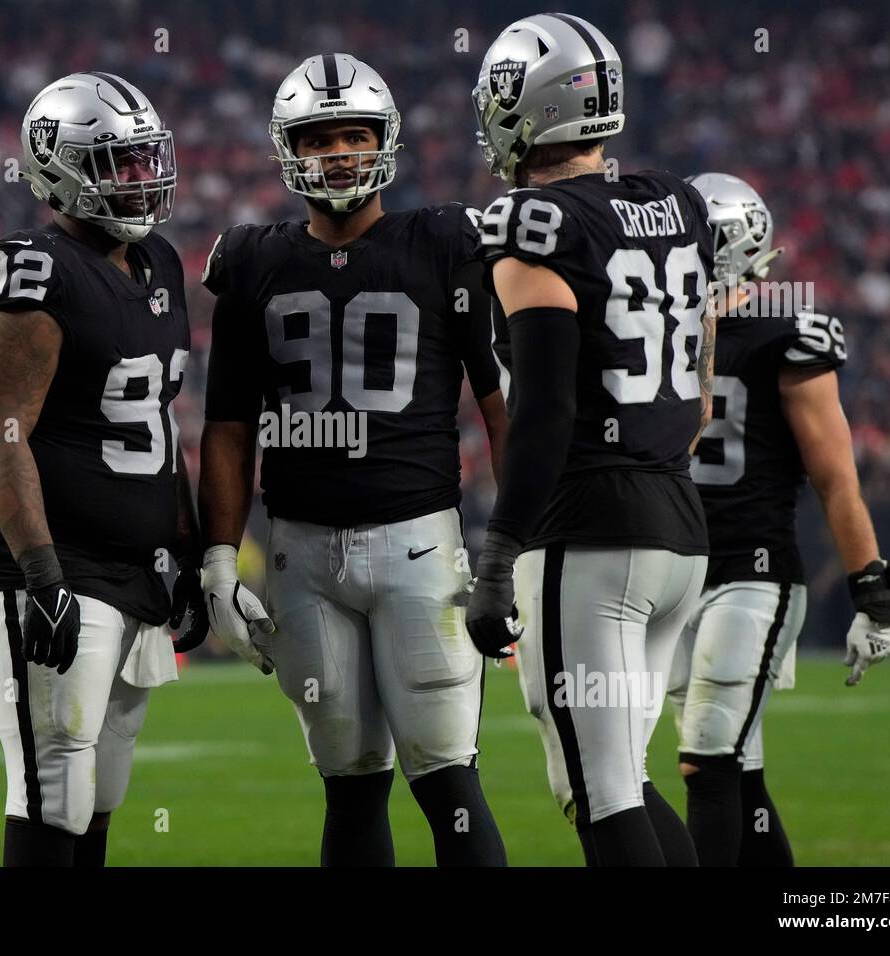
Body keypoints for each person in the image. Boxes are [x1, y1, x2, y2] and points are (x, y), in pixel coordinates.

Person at [198, 53, 509, 866]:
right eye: (319, 138)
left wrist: (522, 545)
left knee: (447, 781)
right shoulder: (253, 260)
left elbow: (502, 404)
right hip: (301, 552)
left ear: (385, 140)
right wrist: (219, 558)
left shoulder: (445, 242)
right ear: (287, 150)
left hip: (419, 544)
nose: (337, 152)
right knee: (350, 782)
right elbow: (227, 425)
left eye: (353, 134)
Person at [466, 13, 715, 866]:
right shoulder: (678, 203)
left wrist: (498, 553)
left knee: (598, 791)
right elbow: (701, 387)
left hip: (591, 533)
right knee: (622, 779)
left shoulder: (532, 221)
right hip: (679, 527)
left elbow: (544, 409)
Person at [0, 72, 207, 867]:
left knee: (99, 792)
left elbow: (159, 429)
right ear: (56, 167)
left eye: (143, 160)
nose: (138, 179)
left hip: (132, 567)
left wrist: (189, 554)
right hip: (46, 562)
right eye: (115, 163)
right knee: (53, 782)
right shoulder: (32, 271)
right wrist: (41, 573)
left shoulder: (159, 262)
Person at [668, 173, 890, 866]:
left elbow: (836, 478)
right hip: (674, 571)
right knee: (740, 771)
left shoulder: (785, 335)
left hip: (754, 573)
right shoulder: (655, 333)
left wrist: (873, 594)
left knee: (706, 761)